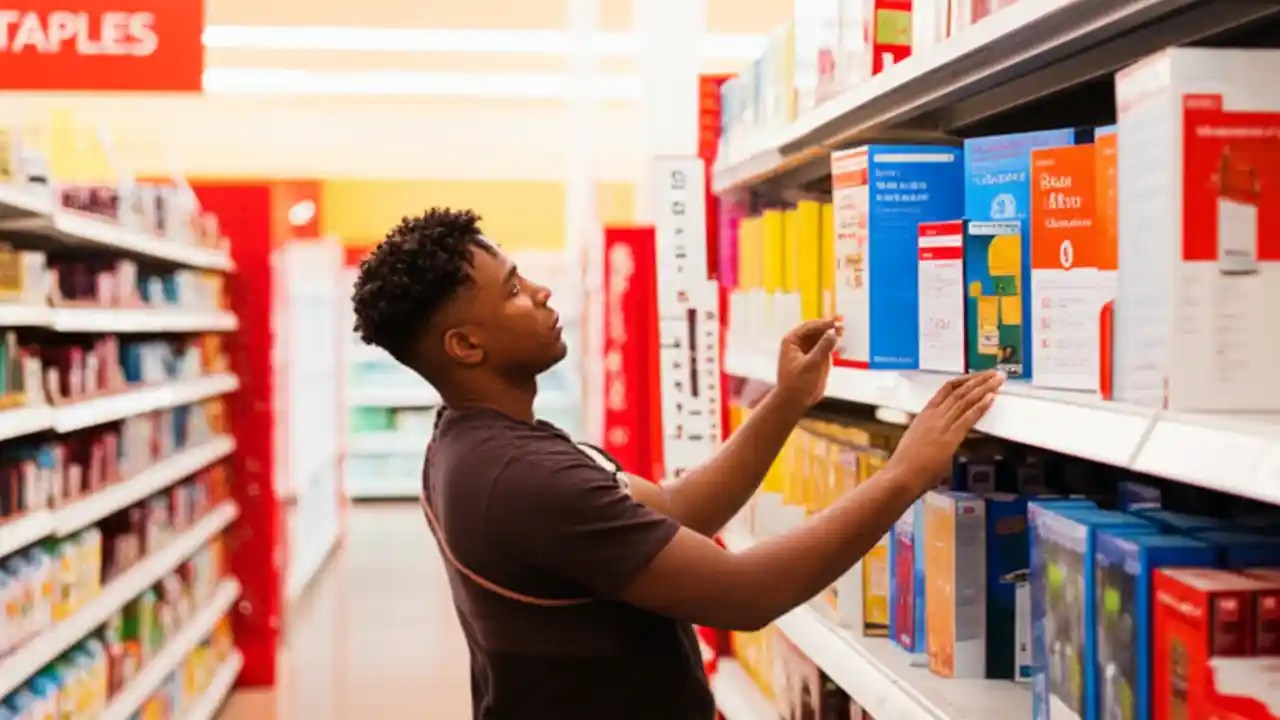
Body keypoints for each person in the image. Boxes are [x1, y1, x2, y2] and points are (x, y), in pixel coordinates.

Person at [350, 208, 1003, 720]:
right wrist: (905, 475)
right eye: (515, 290)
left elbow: (683, 509)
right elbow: (746, 595)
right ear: (466, 345)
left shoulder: (474, 444)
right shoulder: (521, 479)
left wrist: (788, 401)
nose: (544, 292)